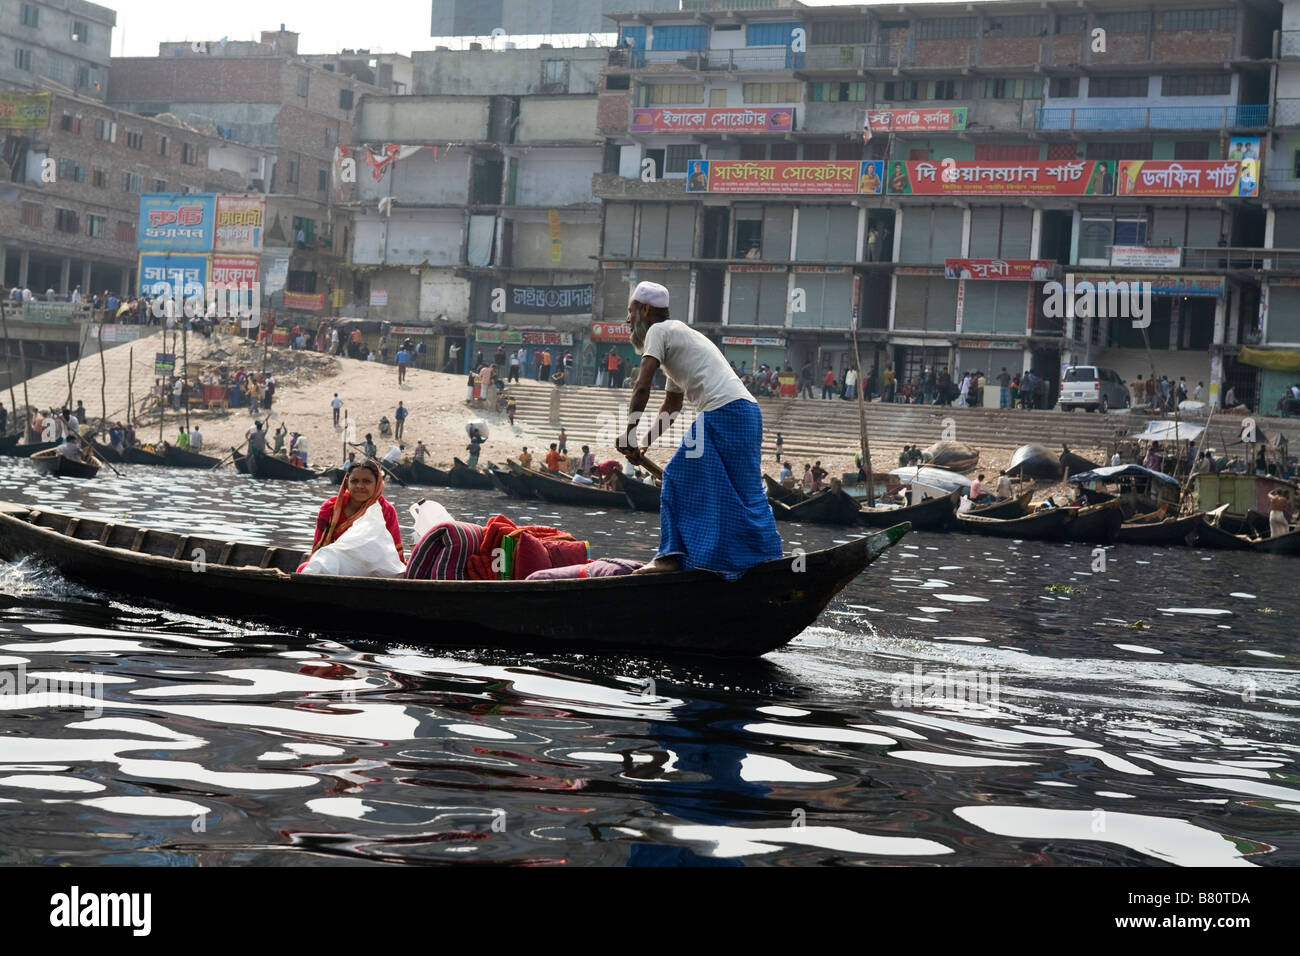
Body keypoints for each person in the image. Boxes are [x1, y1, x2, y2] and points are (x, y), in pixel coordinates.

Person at [616, 280, 781, 577]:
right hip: (747, 413)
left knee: (676, 479)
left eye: (630, 312)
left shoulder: (658, 331)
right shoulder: (680, 336)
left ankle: (669, 556)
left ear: (645, 309)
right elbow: (672, 406)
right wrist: (644, 444)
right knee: (747, 494)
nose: (627, 320)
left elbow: (642, 387)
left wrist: (628, 432)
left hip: (722, 412)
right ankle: (766, 558)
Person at [305, 461, 404, 568]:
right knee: (303, 569)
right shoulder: (330, 508)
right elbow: (319, 548)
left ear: (377, 484)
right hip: (335, 563)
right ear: (347, 483)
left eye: (367, 481)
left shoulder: (386, 511)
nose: (360, 486)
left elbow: (394, 551)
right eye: (354, 481)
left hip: (373, 567)